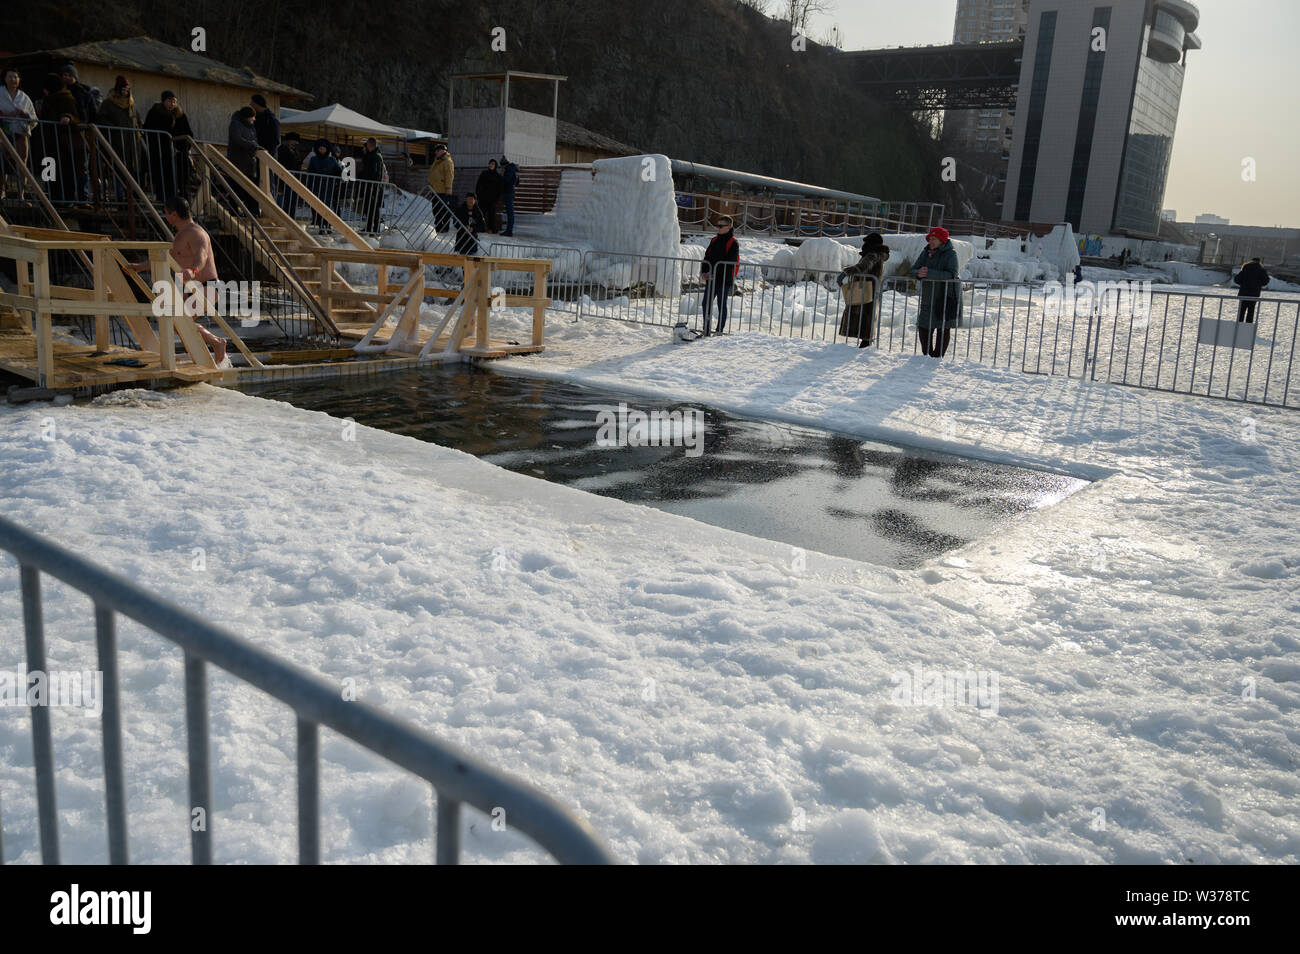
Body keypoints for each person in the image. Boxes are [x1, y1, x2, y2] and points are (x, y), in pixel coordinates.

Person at [127, 195, 229, 365]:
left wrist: (193, 269)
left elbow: (201, 255)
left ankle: (217, 342)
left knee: (181, 323)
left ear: (173, 215)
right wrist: (140, 266)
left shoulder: (196, 232)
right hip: (190, 288)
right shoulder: (181, 235)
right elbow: (167, 258)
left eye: (166, 213)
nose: (165, 217)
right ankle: (207, 349)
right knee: (175, 323)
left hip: (207, 286)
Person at [910, 226, 963, 358]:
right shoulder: (926, 252)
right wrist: (918, 273)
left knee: (943, 327)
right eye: (930, 239)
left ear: (942, 240)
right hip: (928, 296)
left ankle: (937, 357)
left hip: (945, 296)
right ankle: (926, 354)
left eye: (934, 239)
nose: (931, 242)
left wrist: (929, 273)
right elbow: (913, 270)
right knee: (923, 326)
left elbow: (952, 274)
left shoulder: (951, 254)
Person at [838, 232, 890, 348]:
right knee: (867, 317)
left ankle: (865, 343)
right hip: (869, 289)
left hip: (866, 290)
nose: (864, 245)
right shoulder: (878, 254)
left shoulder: (873, 255)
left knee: (865, 316)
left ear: (871, 244)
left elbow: (861, 268)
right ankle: (865, 342)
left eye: (866, 242)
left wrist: (845, 272)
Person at [142, 90, 193, 202]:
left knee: (182, 179)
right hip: (161, 153)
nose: (172, 104)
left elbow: (188, 133)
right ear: (163, 101)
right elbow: (148, 131)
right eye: (169, 101)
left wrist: (184, 147)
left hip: (178, 154)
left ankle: (185, 203)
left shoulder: (180, 115)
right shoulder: (155, 113)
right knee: (163, 180)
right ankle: (165, 202)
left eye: (174, 101)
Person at [36, 73, 80, 203]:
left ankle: (66, 199)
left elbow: (75, 116)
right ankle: (53, 198)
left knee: (65, 173)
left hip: (62, 143)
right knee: (50, 172)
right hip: (49, 142)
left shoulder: (66, 98)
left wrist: (67, 117)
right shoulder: (48, 99)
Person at [95, 76, 144, 184]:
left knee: (133, 169)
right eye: (123, 90)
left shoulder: (131, 105)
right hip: (117, 141)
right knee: (119, 168)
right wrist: (115, 129)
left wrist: (139, 131)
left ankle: (133, 196)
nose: (126, 92)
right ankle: (120, 195)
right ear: (118, 90)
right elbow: (100, 119)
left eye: (127, 90)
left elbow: (138, 121)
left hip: (132, 142)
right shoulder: (108, 103)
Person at [0, 68, 37, 200]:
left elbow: (34, 118)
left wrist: (24, 114)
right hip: (3, 132)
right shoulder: (0, 93)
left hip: (20, 132)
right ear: (4, 79)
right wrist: (3, 115)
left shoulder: (24, 97)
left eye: (15, 77)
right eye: (10, 77)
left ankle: (21, 195)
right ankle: (2, 192)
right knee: (1, 161)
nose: (13, 79)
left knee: (22, 163)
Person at [700, 215, 740, 335]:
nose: (718, 228)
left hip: (724, 279)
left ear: (729, 227)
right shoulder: (714, 240)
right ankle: (706, 329)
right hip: (711, 279)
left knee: (721, 304)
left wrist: (712, 272)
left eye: (721, 226)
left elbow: (730, 262)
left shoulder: (733, 242)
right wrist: (704, 272)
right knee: (705, 303)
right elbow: (707, 257)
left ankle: (719, 331)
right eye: (717, 225)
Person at [226, 106, 261, 215]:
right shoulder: (235, 124)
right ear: (247, 117)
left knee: (250, 189)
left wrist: (256, 146)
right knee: (236, 186)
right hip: (238, 162)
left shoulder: (251, 127)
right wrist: (252, 145)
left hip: (249, 163)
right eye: (253, 117)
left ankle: (253, 211)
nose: (254, 119)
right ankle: (234, 210)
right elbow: (237, 139)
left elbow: (254, 141)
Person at [305, 137, 342, 230]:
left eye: (323, 149)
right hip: (316, 187)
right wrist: (309, 186)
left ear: (327, 149)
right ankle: (321, 226)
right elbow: (310, 172)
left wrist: (343, 174)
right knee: (317, 207)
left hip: (328, 188)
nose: (322, 150)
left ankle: (328, 225)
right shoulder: (314, 159)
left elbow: (338, 171)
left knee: (327, 207)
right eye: (320, 149)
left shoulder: (332, 160)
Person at [358, 136, 386, 233]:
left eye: (365, 146)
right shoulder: (371, 156)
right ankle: (369, 227)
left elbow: (376, 173)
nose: (363, 149)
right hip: (369, 186)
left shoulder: (376, 156)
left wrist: (373, 186)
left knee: (374, 208)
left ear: (369, 146)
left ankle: (376, 229)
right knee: (369, 208)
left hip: (374, 187)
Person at [427, 142, 455, 232]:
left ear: (443, 151)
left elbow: (449, 175)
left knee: (443, 210)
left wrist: (448, 188)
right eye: (436, 150)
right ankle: (438, 225)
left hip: (443, 190)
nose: (436, 152)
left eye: (438, 150)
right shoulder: (437, 161)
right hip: (435, 189)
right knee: (436, 210)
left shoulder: (447, 161)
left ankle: (444, 227)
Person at [1233, 257, 1270, 323]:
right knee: (1251, 311)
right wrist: (1258, 284)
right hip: (1254, 294)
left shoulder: (1245, 268)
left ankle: (1239, 326)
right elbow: (1266, 281)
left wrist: (1243, 284)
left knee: (1241, 311)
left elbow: (1237, 279)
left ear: (1251, 261)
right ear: (1259, 262)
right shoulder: (1261, 270)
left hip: (1243, 293)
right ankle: (1248, 327)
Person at [275, 131, 304, 217]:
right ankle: (283, 215)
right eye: (294, 141)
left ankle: (290, 215)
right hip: (283, 177)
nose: (296, 143)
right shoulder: (282, 149)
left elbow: (297, 162)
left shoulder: (296, 151)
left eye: (297, 142)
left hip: (293, 178)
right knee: (284, 197)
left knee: (292, 198)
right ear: (288, 141)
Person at [475, 159, 503, 233]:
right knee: (481, 214)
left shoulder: (497, 176)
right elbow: (478, 185)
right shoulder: (484, 173)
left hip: (492, 199)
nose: (491, 165)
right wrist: (478, 194)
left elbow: (499, 189)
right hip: (483, 198)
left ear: (495, 166)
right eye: (490, 163)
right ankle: (479, 227)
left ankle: (491, 229)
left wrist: (497, 198)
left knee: (491, 215)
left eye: (493, 164)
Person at [500, 155, 518, 236]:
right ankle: (509, 230)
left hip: (508, 192)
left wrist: (501, 178)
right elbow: (517, 182)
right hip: (510, 192)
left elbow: (506, 180)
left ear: (503, 165)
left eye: (502, 166)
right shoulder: (513, 169)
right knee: (510, 212)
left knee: (510, 212)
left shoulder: (509, 169)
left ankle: (509, 230)